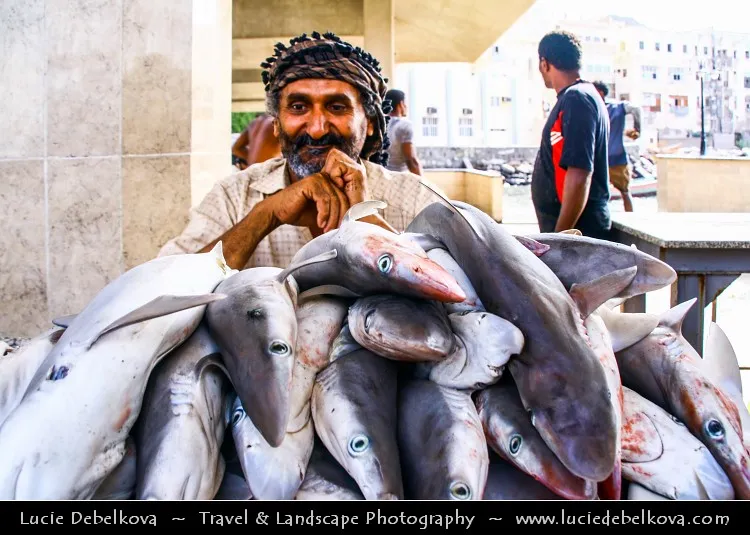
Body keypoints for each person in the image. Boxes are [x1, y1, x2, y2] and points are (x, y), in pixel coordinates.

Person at [158, 31, 443, 271]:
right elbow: (162, 293)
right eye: (298, 107)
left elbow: (465, 301)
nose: (317, 128)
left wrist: (368, 224)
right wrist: (264, 216)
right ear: (277, 125)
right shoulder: (234, 198)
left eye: (336, 107)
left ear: (369, 123)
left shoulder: (416, 199)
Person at [530, 30, 612, 240]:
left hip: (579, 236)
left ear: (544, 64)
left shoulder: (577, 99)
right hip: (575, 234)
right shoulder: (581, 97)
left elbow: (579, 174)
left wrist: (559, 239)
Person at [592, 80, 641, 212]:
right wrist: (637, 129)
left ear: (600, 93)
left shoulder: (596, 108)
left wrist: (637, 128)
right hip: (614, 157)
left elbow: (636, 108)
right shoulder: (617, 107)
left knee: (599, 195)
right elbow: (636, 109)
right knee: (624, 192)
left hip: (600, 159)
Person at [384, 89, 423, 175]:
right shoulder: (405, 125)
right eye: (405, 103)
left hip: (382, 177)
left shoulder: (380, 124)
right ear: (401, 104)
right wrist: (422, 183)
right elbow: (411, 160)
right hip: (399, 178)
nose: (406, 106)